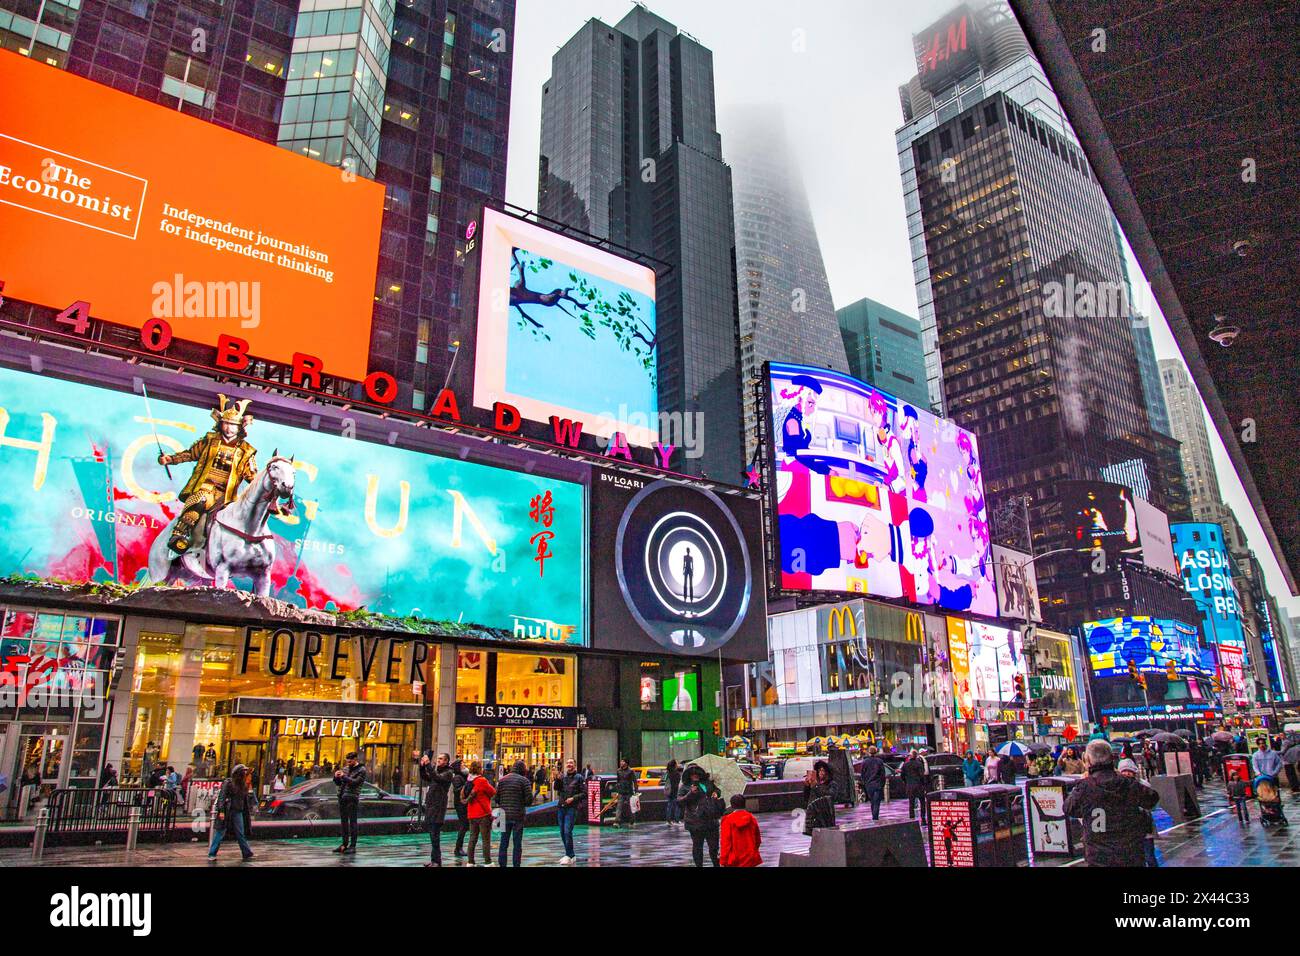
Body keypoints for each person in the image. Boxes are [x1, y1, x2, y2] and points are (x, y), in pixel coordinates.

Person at [1063, 739, 1160, 867]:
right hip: (1129, 852)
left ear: (1089, 760)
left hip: (1098, 855)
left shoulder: (1086, 786)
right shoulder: (1127, 783)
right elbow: (1152, 799)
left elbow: (1069, 808)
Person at [678, 765, 724, 867]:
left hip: (711, 820)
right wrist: (690, 793)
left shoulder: (708, 783)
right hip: (695, 822)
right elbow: (679, 801)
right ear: (689, 776)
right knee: (697, 847)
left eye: (697, 774)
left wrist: (716, 793)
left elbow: (717, 790)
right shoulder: (685, 787)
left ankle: (716, 865)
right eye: (692, 775)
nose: (695, 777)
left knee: (714, 847)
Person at [207, 764, 255, 862]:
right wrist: (221, 810)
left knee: (240, 833)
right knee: (220, 832)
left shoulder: (243, 784)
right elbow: (222, 797)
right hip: (228, 810)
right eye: (243, 772)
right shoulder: (228, 782)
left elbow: (246, 799)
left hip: (238, 811)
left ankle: (246, 852)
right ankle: (212, 853)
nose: (245, 773)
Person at [1118, 758, 1159, 867]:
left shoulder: (1143, 785)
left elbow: (1152, 805)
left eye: (1129, 771)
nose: (1127, 773)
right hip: (1128, 830)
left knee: (1149, 857)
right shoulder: (1117, 787)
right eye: (1124, 771)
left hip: (1144, 828)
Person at [418, 751, 454, 867]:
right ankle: (434, 860)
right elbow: (425, 777)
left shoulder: (448, 773)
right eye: (438, 758)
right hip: (431, 806)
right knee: (432, 835)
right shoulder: (437, 771)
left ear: (446, 761)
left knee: (435, 836)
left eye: (441, 759)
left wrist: (428, 764)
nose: (438, 760)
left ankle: (437, 862)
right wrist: (422, 767)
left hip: (438, 807)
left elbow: (436, 778)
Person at [495, 760, 533, 868]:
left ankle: (502, 864)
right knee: (517, 843)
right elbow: (529, 800)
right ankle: (516, 864)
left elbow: (496, 798)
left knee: (503, 842)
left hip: (503, 815)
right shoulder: (524, 781)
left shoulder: (502, 780)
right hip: (518, 815)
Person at [462, 760, 496, 866]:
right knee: (486, 839)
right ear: (480, 769)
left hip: (471, 814)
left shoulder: (468, 780)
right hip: (483, 814)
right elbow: (493, 792)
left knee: (472, 838)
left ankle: (470, 862)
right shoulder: (482, 780)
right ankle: (488, 862)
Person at [332, 752, 365, 855]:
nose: (348, 763)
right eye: (347, 761)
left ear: (355, 759)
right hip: (342, 797)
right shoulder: (345, 769)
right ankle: (344, 844)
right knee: (344, 822)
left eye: (350, 761)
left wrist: (344, 776)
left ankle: (353, 846)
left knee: (353, 822)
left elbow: (355, 783)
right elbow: (339, 783)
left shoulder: (361, 770)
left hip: (352, 797)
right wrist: (336, 777)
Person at [554, 758, 585, 864]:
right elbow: (556, 789)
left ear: (575, 765)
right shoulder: (563, 777)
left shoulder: (579, 777)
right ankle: (569, 854)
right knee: (562, 832)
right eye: (567, 763)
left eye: (571, 763)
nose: (569, 764)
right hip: (561, 807)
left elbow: (584, 793)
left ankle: (569, 855)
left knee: (567, 831)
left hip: (572, 808)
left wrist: (573, 798)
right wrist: (557, 779)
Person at [719, 794, 762, 867]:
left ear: (732, 805)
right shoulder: (751, 818)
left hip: (734, 860)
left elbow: (725, 843)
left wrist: (723, 860)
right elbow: (758, 840)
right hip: (750, 858)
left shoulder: (727, 820)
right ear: (744, 804)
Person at [802, 760, 837, 835]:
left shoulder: (831, 784)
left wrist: (816, 787)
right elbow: (806, 797)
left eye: (823, 770)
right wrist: (807, 786)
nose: (821, 772)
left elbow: (829, 796)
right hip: (813, 812)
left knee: (825, 833)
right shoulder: (815, 783)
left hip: (825, 813)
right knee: (814, 832)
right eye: (819, 770)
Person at [900, 749, 929, 825]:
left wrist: (907, 782)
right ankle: (923, 819)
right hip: (919, 786)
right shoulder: (919, 764)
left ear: (910, 756)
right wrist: (923, 784)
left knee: (911, 803)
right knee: (922, 802)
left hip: (910, 786)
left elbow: (902, 776)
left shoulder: (905, 764)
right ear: (916, 756)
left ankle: (912, 819)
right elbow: (922, 775)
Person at [450, 759, 471, 859]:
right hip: (460, 804)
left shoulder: (463, 776)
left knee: (465, 825)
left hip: (463, 803)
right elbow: (457, 790)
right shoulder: (458, 777)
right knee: (464, 825)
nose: (464, 766)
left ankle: (459, 847)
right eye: (462, 765)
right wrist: (467, 785)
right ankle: (458, 848)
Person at [860, 746, 887, 820]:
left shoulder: (865, 762)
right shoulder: (879, 761)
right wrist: (882, 784)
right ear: (876, 752)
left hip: (869, 785)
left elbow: (862, 774)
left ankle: (874, 815)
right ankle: (875, 817)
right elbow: (882, 774)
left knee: (872, 801)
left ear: (869, 752)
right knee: (877, 802)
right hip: (878, 784)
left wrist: (864, 783)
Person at [612, 759, 637, 829]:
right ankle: (617, 821)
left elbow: (634, 781)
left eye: (623, 761)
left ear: (626, 763)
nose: (621, 763)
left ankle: (632, 821)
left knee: (631, 807)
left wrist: (636, 791)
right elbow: (618, 781)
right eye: (621, 761)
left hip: (629, 792)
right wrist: (617, 790)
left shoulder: (631, 771)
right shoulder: (618, 771)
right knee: (619, 807)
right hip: (621, 792)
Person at [663, 759, 683, 827]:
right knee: (677, 806)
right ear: (674, 765)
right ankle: (677, 820)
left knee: (669, 806)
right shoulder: (676, 773)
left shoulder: (668, 773)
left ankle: (668, 820)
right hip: (675, 791)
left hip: (669, 792)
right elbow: (678, 783)